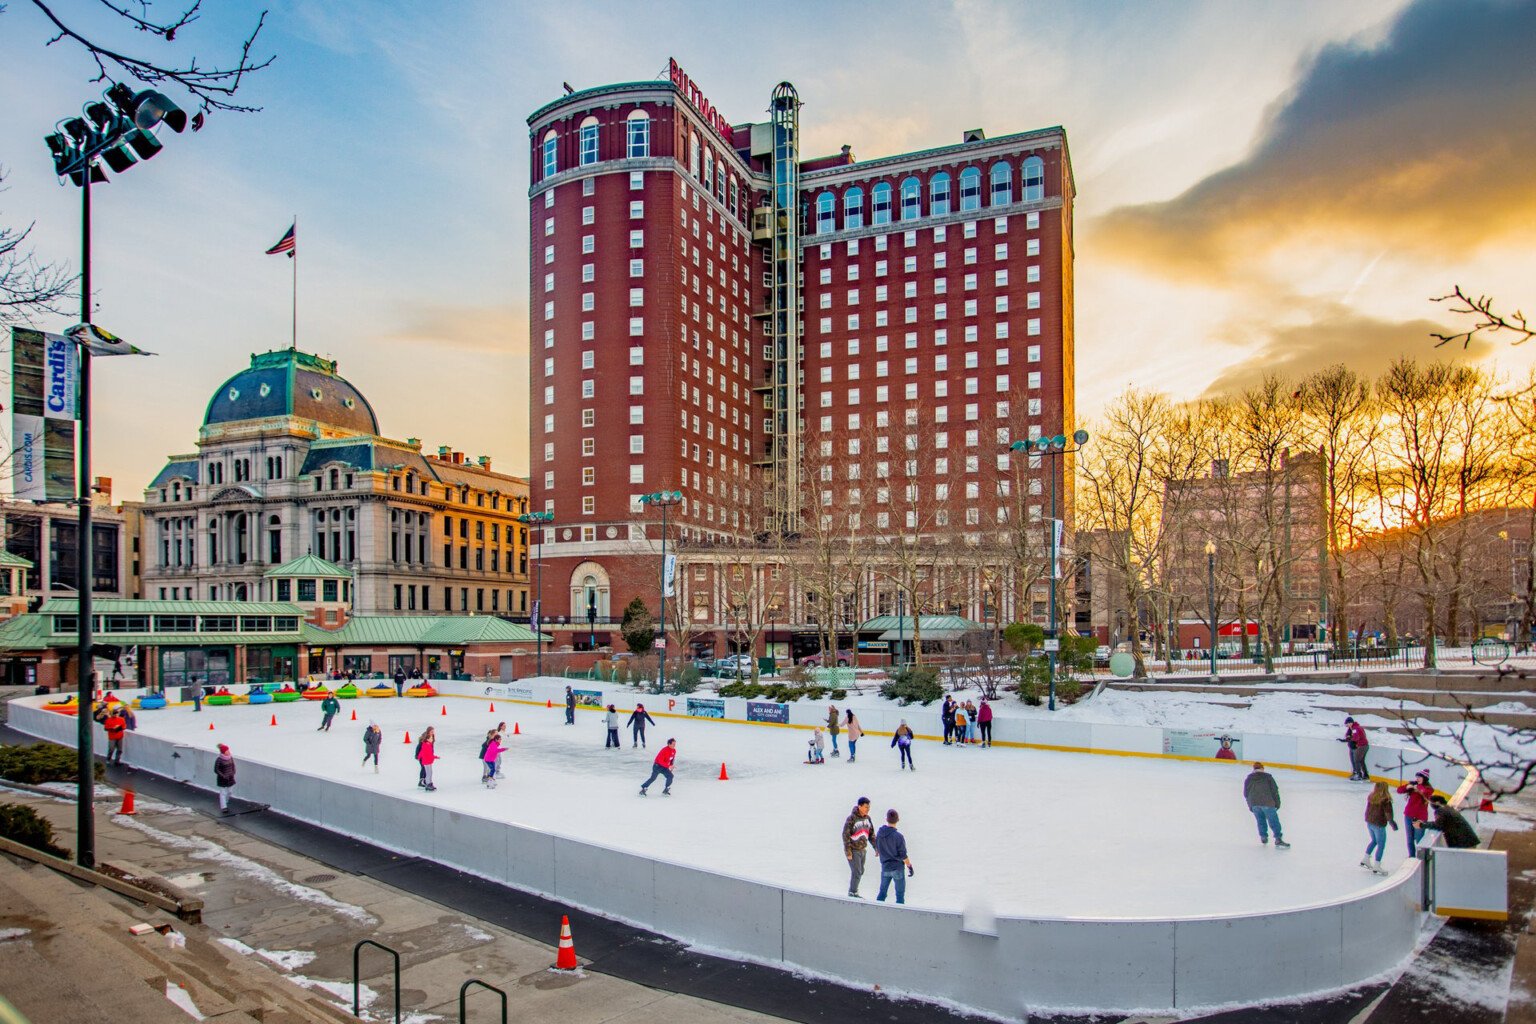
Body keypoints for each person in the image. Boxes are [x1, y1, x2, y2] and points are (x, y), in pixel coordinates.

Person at [1243, 762, 1289, 848]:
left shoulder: (1249, 779)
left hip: (1254, 803)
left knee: (1260, 820)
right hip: (1267, 802)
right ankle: (1278, 838)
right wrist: (1277, 804)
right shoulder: (1268, 777)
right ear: (1262, 768)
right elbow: (1274, 791)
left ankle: (1263, 836)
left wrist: (1250, 805)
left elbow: (1246, 793)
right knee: (1273, 821)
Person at [874, 809, 913, 904]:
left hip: (885, 868)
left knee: (882, 893)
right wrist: (910, 866)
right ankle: (900, 916)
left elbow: (877, 848)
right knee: (900, 895)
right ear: (898, 819)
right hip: (897, 868)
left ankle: (875, 912)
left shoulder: (880, 833)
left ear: (886, 819)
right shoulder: (898, 836)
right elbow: (903, 855)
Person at [1362, 781, 1398, 873]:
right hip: (1379, 824)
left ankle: (1366, 858)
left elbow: (1368, 809)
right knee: (1381, 845)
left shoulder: (1371, 796)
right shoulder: (1385, 800)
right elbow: (1388, 814)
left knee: (1374, 841)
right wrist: (1392, 823)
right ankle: (1377, 865)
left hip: (1370, 823)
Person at [842, 797, 874, 898]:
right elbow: (845, 835)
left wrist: (876, 847)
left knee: (861, 871)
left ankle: (854, 890)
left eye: (869, 807)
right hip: (853, 850)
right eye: (866, 807)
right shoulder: (851, 818)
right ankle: (852, 892)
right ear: (859, 806)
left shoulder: (868, 819)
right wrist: (848, 851)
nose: (868, 809)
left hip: (863, 850)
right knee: (857, 872)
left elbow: (871, 834)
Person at [1398, 770, 1433, 855]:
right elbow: (1399, 790)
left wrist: (1416, 787)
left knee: (1419, 839)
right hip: (1408, 815)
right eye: (1417, 777)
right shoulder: (1413, 785)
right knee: (1410, 839)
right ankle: (1411, 857)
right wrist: (1407, 787)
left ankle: (1420, 858)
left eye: (1419, 777)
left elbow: (1424, 791)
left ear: (1424, 778)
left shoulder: (1429, 789)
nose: (1417, 779)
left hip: (1420, 817)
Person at [1341, 717, 1369, 781]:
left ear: (1350, 723)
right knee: (1361, 761)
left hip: (1361, 746)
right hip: (1364, 745)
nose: (1346, 726)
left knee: (1356, 760)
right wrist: (1348, 737)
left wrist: (1349, 738)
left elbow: (1356, 738)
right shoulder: (1356, 727)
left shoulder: (1355, 728)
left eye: (1347, 724)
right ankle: (1365, 775)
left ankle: (1359, 775)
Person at [214, 743, 236, 812]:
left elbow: (233, 766)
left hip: (230, 778)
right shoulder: (219, 760)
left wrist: (233, 772)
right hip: (222, 779)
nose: (228, 751)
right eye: (227, 751)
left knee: (230, 792)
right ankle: (224, 807)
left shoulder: (230, 758)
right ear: (224, 752)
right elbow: (216, 769)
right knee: (223, 793)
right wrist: (223, 776)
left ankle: (226, 802)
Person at [417, 727, 438, 791]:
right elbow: (421, 750)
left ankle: (429, 783)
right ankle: (425, 782)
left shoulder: (431, 740)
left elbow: (430, 751)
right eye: (432, 731)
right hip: (424, 759)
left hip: (428, 759)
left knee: (429, 772)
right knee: (426, 771)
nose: (433, 732)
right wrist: (418, 756)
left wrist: (433, 756)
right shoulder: (424, 743)